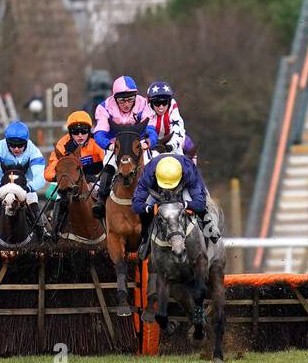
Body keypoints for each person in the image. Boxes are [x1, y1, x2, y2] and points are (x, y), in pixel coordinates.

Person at [90, 75, 158, 218]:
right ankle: (102, 200)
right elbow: (99, 134)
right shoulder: (104, 107)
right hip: (116, 145)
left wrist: (148, 143)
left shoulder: (144, 104)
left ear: (135, 96)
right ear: (115, 98)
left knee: (152, 164)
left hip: (136, 145)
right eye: (122, 100)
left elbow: (151, 130)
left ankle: (159, 199)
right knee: (109, 166)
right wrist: (109, 146)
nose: (127, 104)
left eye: (130, 99)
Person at [132, 153, 218, 258]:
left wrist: (185, 204)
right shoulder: (149, 171)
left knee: (201, 207)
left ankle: (209, 227)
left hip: (184, 186)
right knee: (144, 211)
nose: (169, 189)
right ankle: (146, 239)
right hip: (157, 190)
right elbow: (136, 205)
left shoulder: (189, 169)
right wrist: (149, 208)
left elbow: (199, 203)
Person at [0, 120, 49, 236]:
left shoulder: (34, 151)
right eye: (12, 145)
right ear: (6, 142)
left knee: (33, 202)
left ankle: (42, 234)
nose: (16, 149)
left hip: (25, 185)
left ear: (26, 142)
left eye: (20, 145)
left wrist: (29, 187)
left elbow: (41, 177)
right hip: (1, 184)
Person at [145, 80, 187, 154]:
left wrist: (171, 145)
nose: (161, 107)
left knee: (190, 150)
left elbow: (177, 129)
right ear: (150, 103)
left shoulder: (172, 106)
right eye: (157, 103)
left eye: (164, 103)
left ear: (169, 102)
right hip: (150, 144)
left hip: (170, 143)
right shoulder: (145, 108)